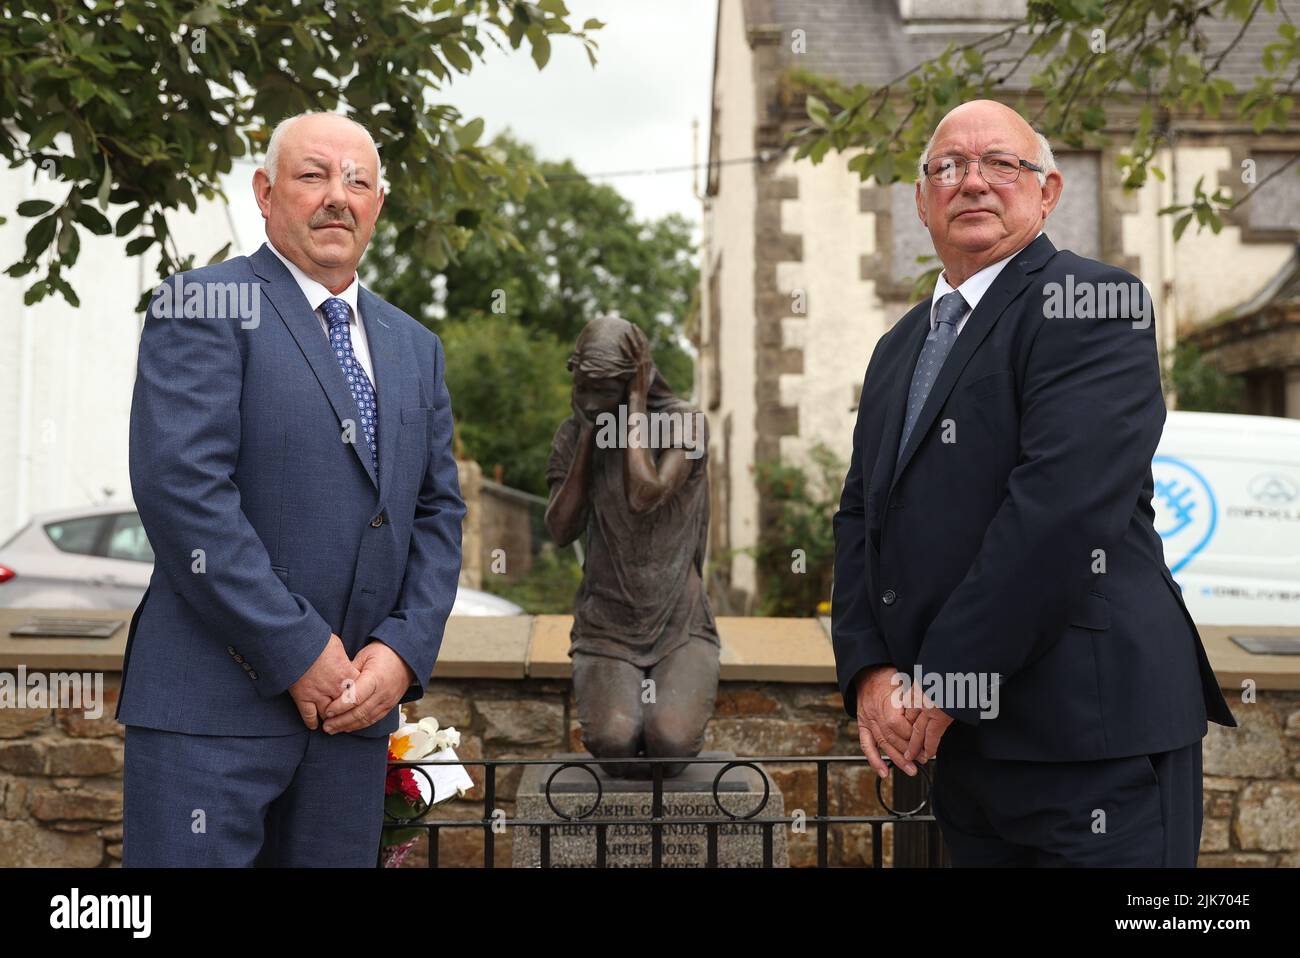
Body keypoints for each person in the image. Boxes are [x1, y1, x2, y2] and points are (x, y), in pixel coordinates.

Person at [830, 99, 1237, 866]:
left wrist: (945, 683)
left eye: (1002, 165)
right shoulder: (899, 347)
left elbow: (1058, 515)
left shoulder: (1093, 305)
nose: (972, 182)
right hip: (963, 756)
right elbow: (860, 516)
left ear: (1048, 192)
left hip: (1090, 743)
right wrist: (870, 670)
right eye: (947, 167)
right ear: (921, 200)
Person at [118, 111, 465, 866]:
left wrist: (402, 653)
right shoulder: (203, 305)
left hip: (352, 728)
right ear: (265, 193)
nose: (338, 196)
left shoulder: (417, 347)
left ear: (378, 204)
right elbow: (184, 492)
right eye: (314, 175)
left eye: (359, 181)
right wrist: (299, 650)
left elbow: (438, 512)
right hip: (208, 720)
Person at [545, 317, 720, 778]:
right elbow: (561, 531)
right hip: (606, 626)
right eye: (583, 388)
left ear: (635, 379)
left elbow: (644, 495)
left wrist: (635, 405)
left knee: (671, 742)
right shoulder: (572, 432)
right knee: (614, 742)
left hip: (677, 623)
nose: (590, 401)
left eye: (606, 390)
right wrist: (588, 432)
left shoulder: (684, 424)